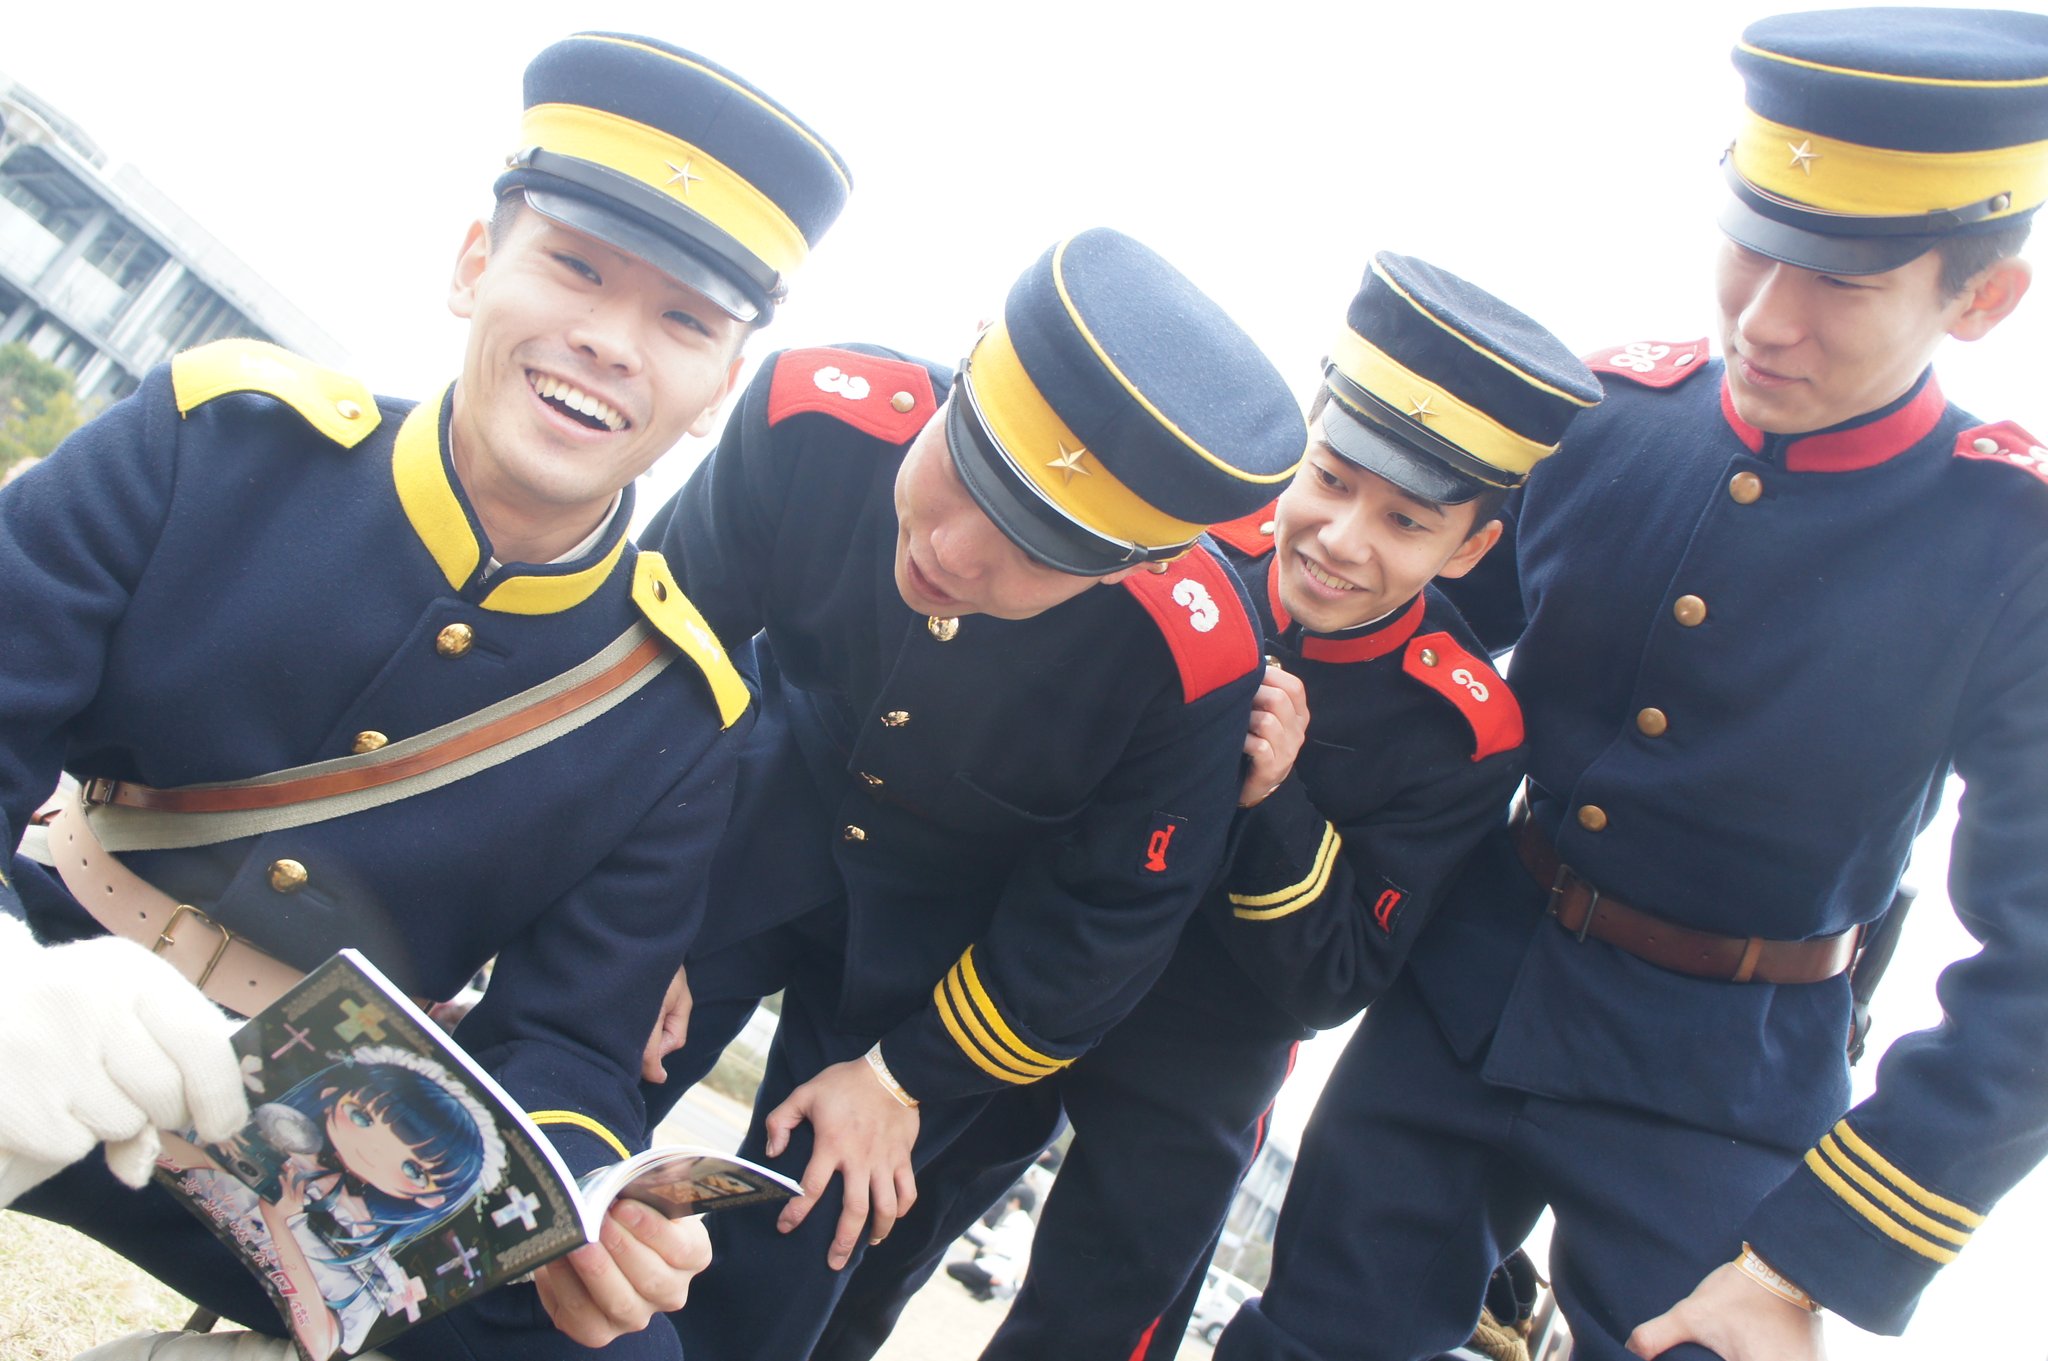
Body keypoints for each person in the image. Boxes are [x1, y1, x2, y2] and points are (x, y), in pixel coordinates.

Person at [0, 31, 848, 1361]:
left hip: (327, 1160)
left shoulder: (676, 715)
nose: (611, 342)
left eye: (684, 320)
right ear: (473, 264)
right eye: (576, 265)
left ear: (716, 393)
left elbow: (569, 1045)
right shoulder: (214, 440)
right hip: (48, 995)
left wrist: (591, 1205)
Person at [1216, 9, 2048, 1360]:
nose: (1766, 320)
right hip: (1466, 991)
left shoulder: (2014, 553)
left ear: (1981, 298)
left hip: (1726, 1084)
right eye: (1755, 245)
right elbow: (1376, 639)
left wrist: (1813, 1257)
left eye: (1841, 281)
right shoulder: (1607, 427)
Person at [811, 252, 1600, 1361]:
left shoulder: (1461, 729)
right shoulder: (1154, 543)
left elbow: (1337, 980)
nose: (1340, 536)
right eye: (1329, 479)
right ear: (1307, 433)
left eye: (1406, 523)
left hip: (1204, 1044)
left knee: (1096, 1324)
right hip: (1024, 960)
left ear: (1472, 547)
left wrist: (1276, 802)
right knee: (859, 1236)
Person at [636, 224, 1307, 1359]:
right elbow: (656, 668)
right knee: (584, 1054)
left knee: (806, 1225)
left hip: (948, 958)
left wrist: (902, 1077)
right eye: (966, 472)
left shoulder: (1191, 662)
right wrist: (631, 916)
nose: (952, 548)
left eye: (1034, 546)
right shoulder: (817, 414)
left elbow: (1102, 926)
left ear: (1132, 564)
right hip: (754, 824)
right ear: (969, 357)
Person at [945, 1185, 1037, 1303]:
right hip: (1007, 1267)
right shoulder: (1028, 1224)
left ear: (1016, 1201)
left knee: (953, 1269)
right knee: (979, 1253)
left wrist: (974, 1226)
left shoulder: (1016, 1217)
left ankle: (991, 1281)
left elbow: (995, 1240)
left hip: (998, 1265)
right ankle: (984, 1289)